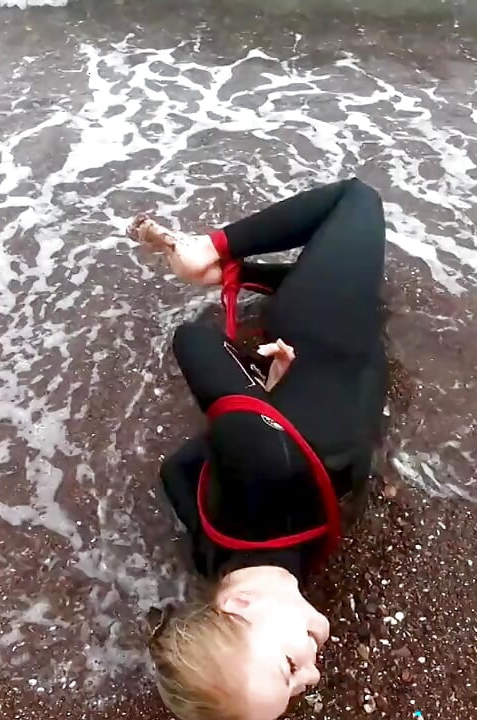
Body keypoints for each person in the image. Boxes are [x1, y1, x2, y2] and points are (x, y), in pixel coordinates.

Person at [129, 177, 388, 720]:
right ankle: (247, 274)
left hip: (322, 324)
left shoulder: (264, 462)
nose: (312, 674)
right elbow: (176, 473)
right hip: (359, 341)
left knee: (359, 200)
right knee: (378, 297)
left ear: (239, 606)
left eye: (289, 669)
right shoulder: (213, 557)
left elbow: (192, 339)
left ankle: (210, 251)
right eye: (299, 690)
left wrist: (255, 405)